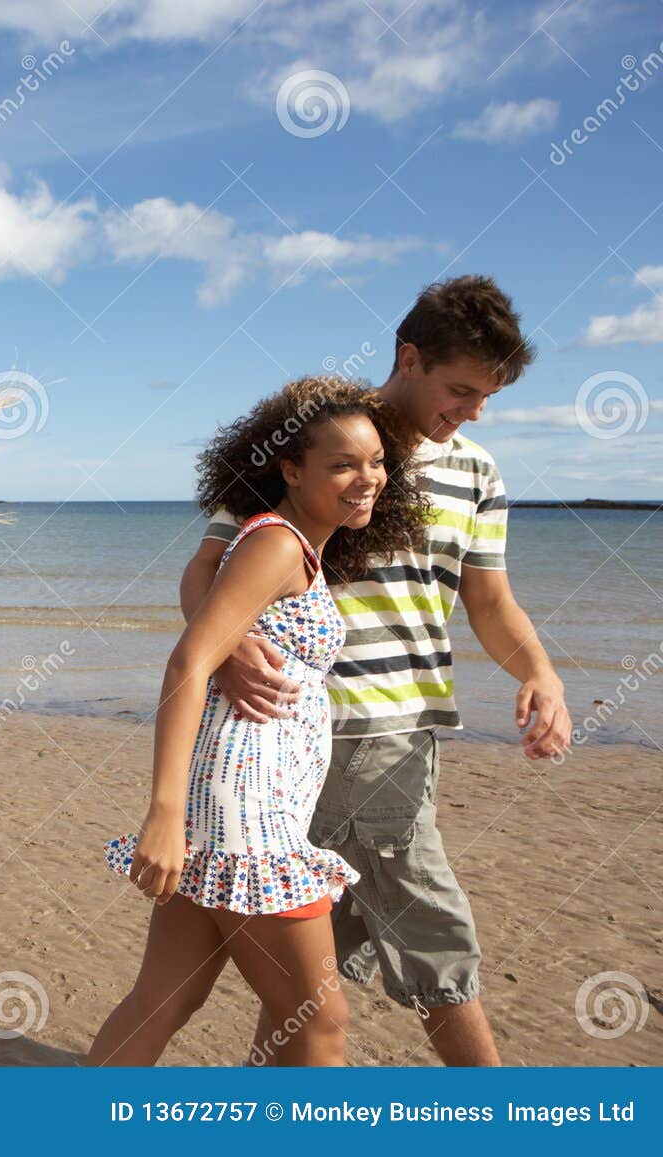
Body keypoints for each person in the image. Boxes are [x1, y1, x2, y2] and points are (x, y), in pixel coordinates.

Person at [183, 276, 572, 1066]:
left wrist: (540, 671)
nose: (471, 410)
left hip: (408, 737)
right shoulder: (323, 436)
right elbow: (206, 571)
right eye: (460, 389)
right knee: (436, 934)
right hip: (323, 728)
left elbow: (490, 602)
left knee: (310, 955)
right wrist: (219, 648)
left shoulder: (478, 472)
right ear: (409, 357)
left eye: (487, 396)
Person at [88, 377, 429, 1067]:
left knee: (165, 998)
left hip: (233, 806)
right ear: (292, 469)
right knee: (320, 1019)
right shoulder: (275, 545)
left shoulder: (292, 547)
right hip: (247, 814)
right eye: (342, 464)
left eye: (375, 461)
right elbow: (190, 660)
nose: (367, 478)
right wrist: (163, 810)